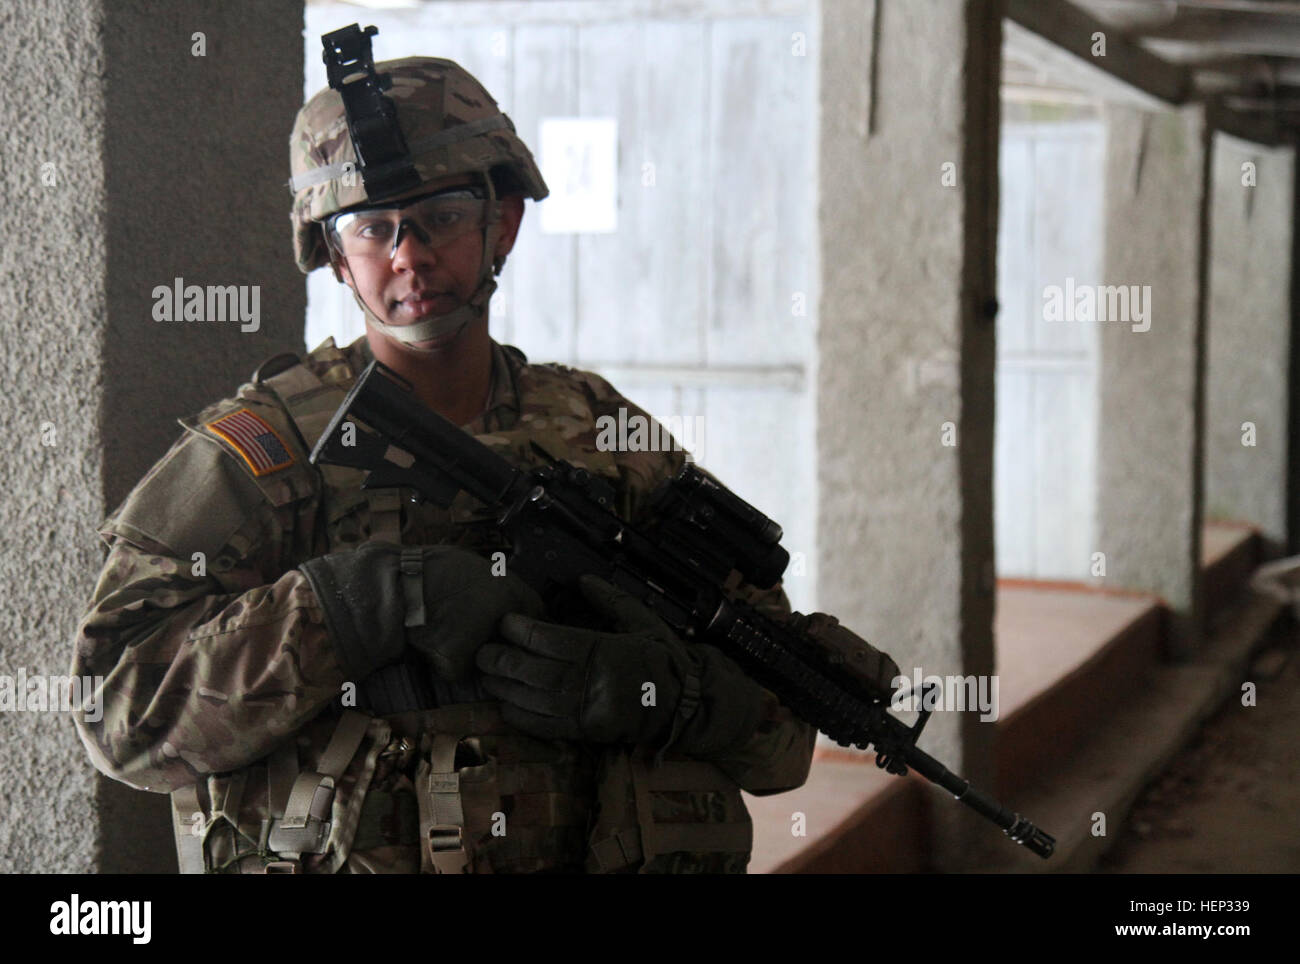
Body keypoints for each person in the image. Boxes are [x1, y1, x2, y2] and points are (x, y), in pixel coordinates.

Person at [71, 31, 893, 874]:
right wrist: (354, 605)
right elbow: (117, 719)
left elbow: (783, 737)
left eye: (444, 217)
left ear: (503, 222)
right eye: (372, 228)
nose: (410, 254)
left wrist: (663, 691)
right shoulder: (269, 452)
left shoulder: (602, 434)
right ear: (330, 253)